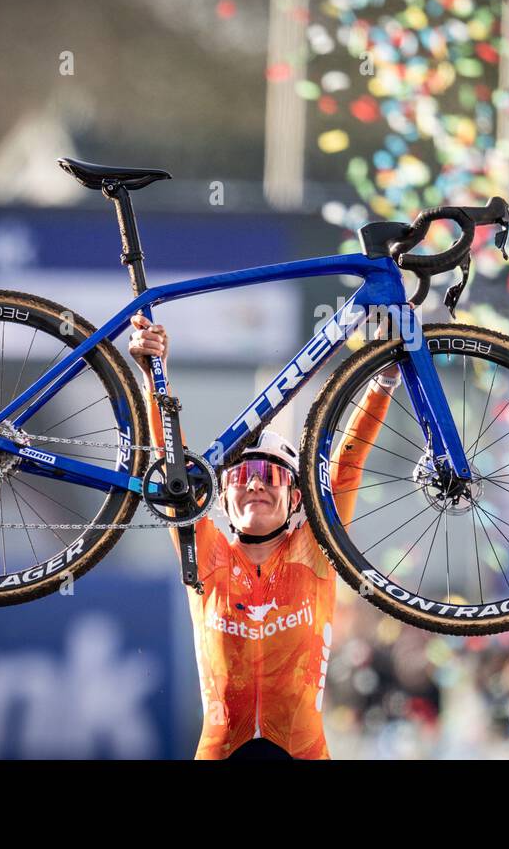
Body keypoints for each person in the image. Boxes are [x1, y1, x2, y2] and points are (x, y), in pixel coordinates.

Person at [129, 312, 398, 759]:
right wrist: (154, 375)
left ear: (295, 498)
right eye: (242, 475)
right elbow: (170, 468)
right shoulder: (207, 554)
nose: (255, 484)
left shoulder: (317, 550)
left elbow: (346, 469)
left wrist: (384, 378)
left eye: (270, 474)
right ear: (223, 498)